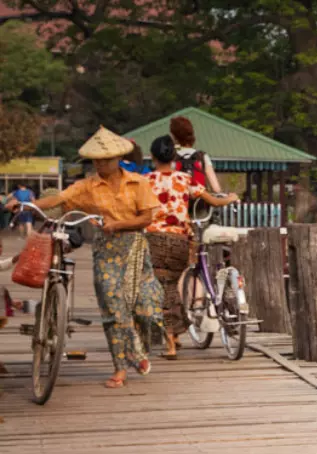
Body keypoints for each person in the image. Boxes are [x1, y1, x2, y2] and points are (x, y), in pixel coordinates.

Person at [7, 127, 162, 388]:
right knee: (113, 308)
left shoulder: (138, 182)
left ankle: (138, 347)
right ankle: (120, 368)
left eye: (106, 159)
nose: (101, 163)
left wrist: (120, 224)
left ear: (118, 158)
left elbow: (147, 217)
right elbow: (59, 198)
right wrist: (25, 205)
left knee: (146, 305)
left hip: (135, 246)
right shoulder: (87, 186)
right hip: (105, 251)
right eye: (96, 159)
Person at [144, 135, 238, 359]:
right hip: (181, 240)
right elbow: (213, 201)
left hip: (155, 238)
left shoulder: (145, 180)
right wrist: (231, 197)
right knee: (173, 286)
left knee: (165, 290)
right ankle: (176, 333)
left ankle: (171, 344)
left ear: (154, 157)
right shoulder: (184, 180)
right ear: (173, 157)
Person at [169, 116, 222, 192]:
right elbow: (216, 188)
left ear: (174, 136)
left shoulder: (171, 157)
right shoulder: (202, 156)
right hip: (199, 201)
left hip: (179, 201)